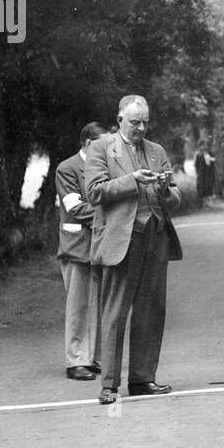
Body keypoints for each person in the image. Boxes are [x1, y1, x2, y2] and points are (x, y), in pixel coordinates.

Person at [85, 95, 183, 404]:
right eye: (134, 122)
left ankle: (143, 379)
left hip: (155, 236)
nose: (141, 128)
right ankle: (109, 386)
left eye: (145, 122)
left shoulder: (156, 151)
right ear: (119, 121)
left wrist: (167, 190)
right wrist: (132, 181)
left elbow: (175, 196)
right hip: (121, 241)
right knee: (115, 313)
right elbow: (94, 192)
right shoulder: (102, 148)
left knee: (151, 312)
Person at [55, 122, 106, 381]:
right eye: (102, 144)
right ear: (87, 143)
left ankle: (89, 357)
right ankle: (75, 360)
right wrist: (109, 218)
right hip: (76, 246)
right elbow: (74, 206)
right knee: (77, 304)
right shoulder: (67, 168)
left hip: (99, 245)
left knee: (95, 302)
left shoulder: (104, 166)